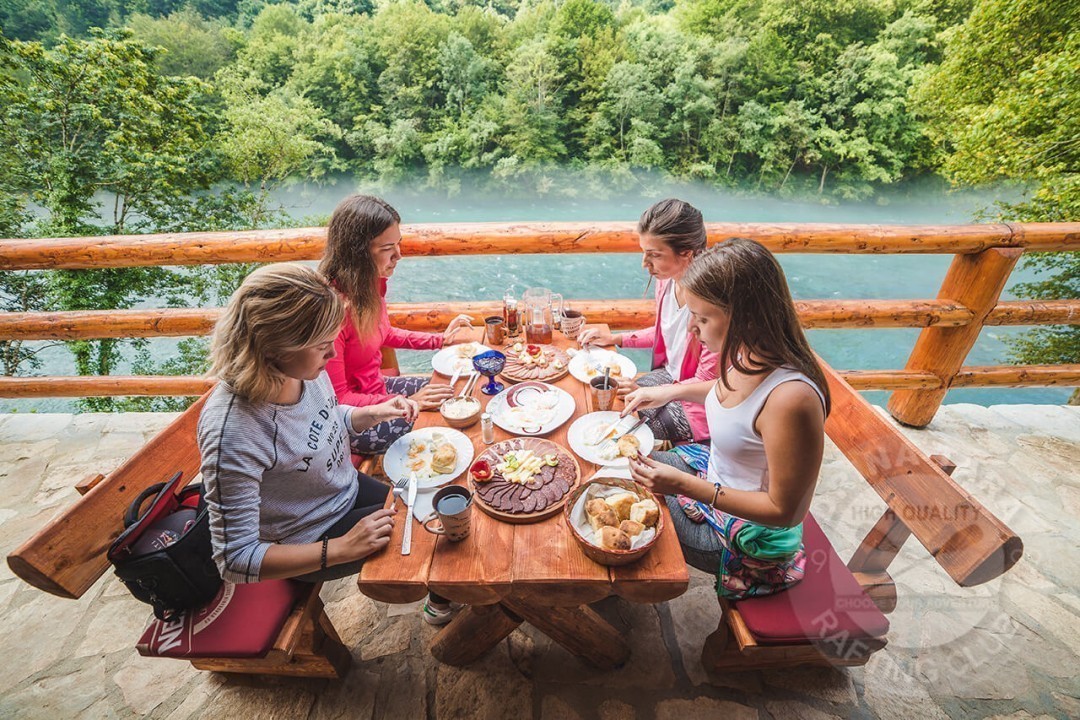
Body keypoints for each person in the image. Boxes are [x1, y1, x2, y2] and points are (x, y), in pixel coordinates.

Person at [198, 263, 458, 624]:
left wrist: (377, 412)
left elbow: (324, 419)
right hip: (309, 535)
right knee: (438, 532)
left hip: (343, 489)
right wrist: (339, 548)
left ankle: (445, 591)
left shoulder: (298, 370)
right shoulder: (235, 432)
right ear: (274, 347)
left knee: (448, 493)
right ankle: (444, 600)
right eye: (323, 346)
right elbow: (235, 559)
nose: (333, 356)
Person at [621, 238, 830, 599]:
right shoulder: (748, 354)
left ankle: (612, 587)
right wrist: (670, 391)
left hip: (744, 536)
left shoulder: (792, 400)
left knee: (632, 504)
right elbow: (728, 394)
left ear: (744, 317)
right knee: (621, 466)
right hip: (714, 479)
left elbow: (785, 511)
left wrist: (685, 486)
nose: (692, 330)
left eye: (702, 318)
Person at [319, 194, 474, 455]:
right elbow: (339, 399)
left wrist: (439, 340)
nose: (399, 256)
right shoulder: (332, 311)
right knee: (446, 426)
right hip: (355, 420)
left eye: (398, 245)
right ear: (357, 252)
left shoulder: (367, 286)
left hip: (378, 389)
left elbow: (384, 334)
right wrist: (405, 403)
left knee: (455, 392)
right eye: (387, 249)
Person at [577, 199, 718, 444]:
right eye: (644, 253)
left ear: (686, 252)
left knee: (622, 430)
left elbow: (708, 381)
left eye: (654, 255)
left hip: (701, 403)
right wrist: (616, 338)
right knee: (615, 394)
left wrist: (660, 393)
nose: (645, 264)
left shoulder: (712, 302)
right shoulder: (667, 281)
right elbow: (667, 331)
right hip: (670, 378)